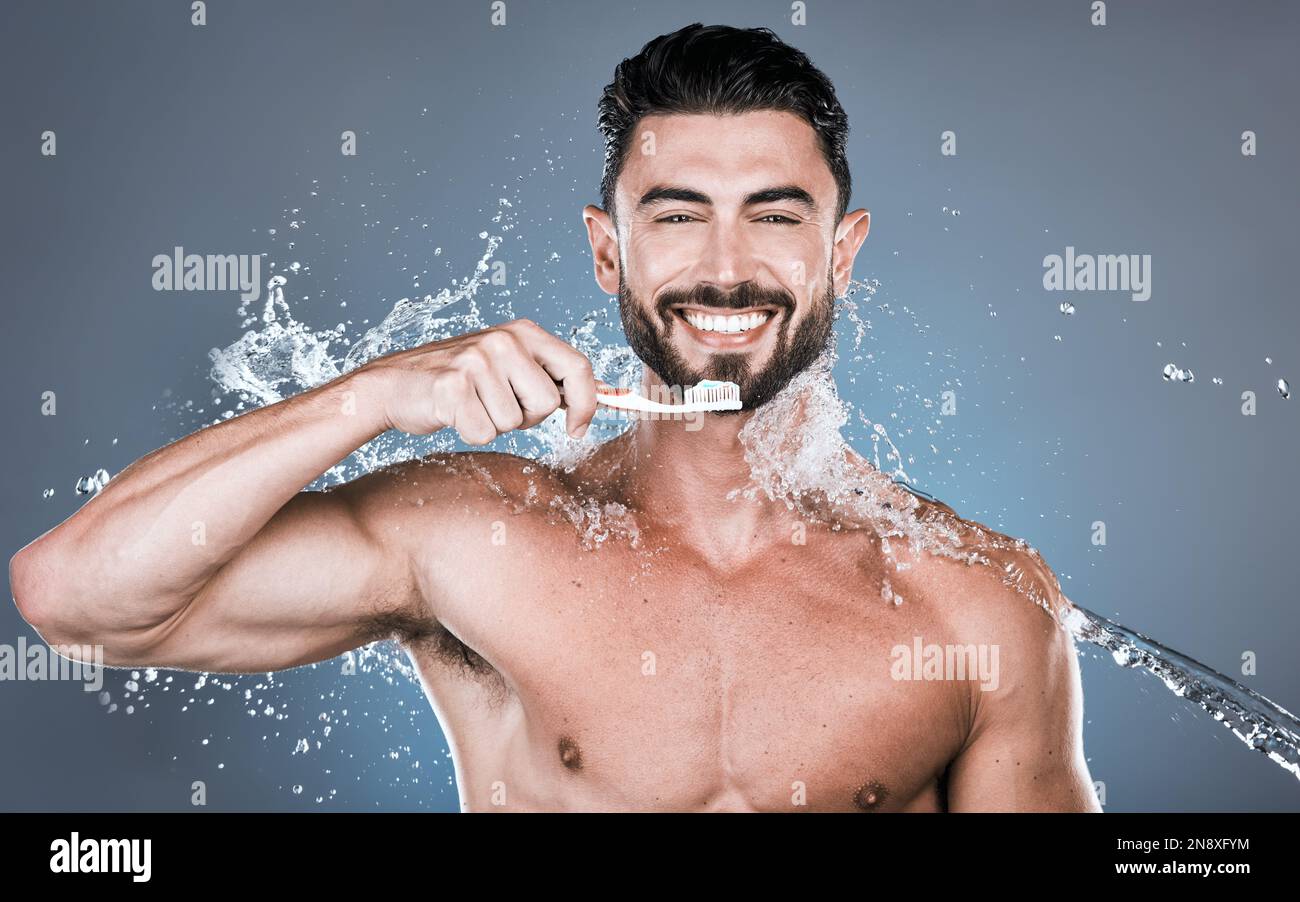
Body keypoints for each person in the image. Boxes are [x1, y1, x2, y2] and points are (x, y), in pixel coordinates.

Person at [9, 23, 1100, 812]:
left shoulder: (974, 602)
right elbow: (75, 597)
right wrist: (374, 395)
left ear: (841, 252)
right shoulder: (483, 538)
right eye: (677, 218)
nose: (726, 268)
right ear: (606, 249)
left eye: (774, 216)